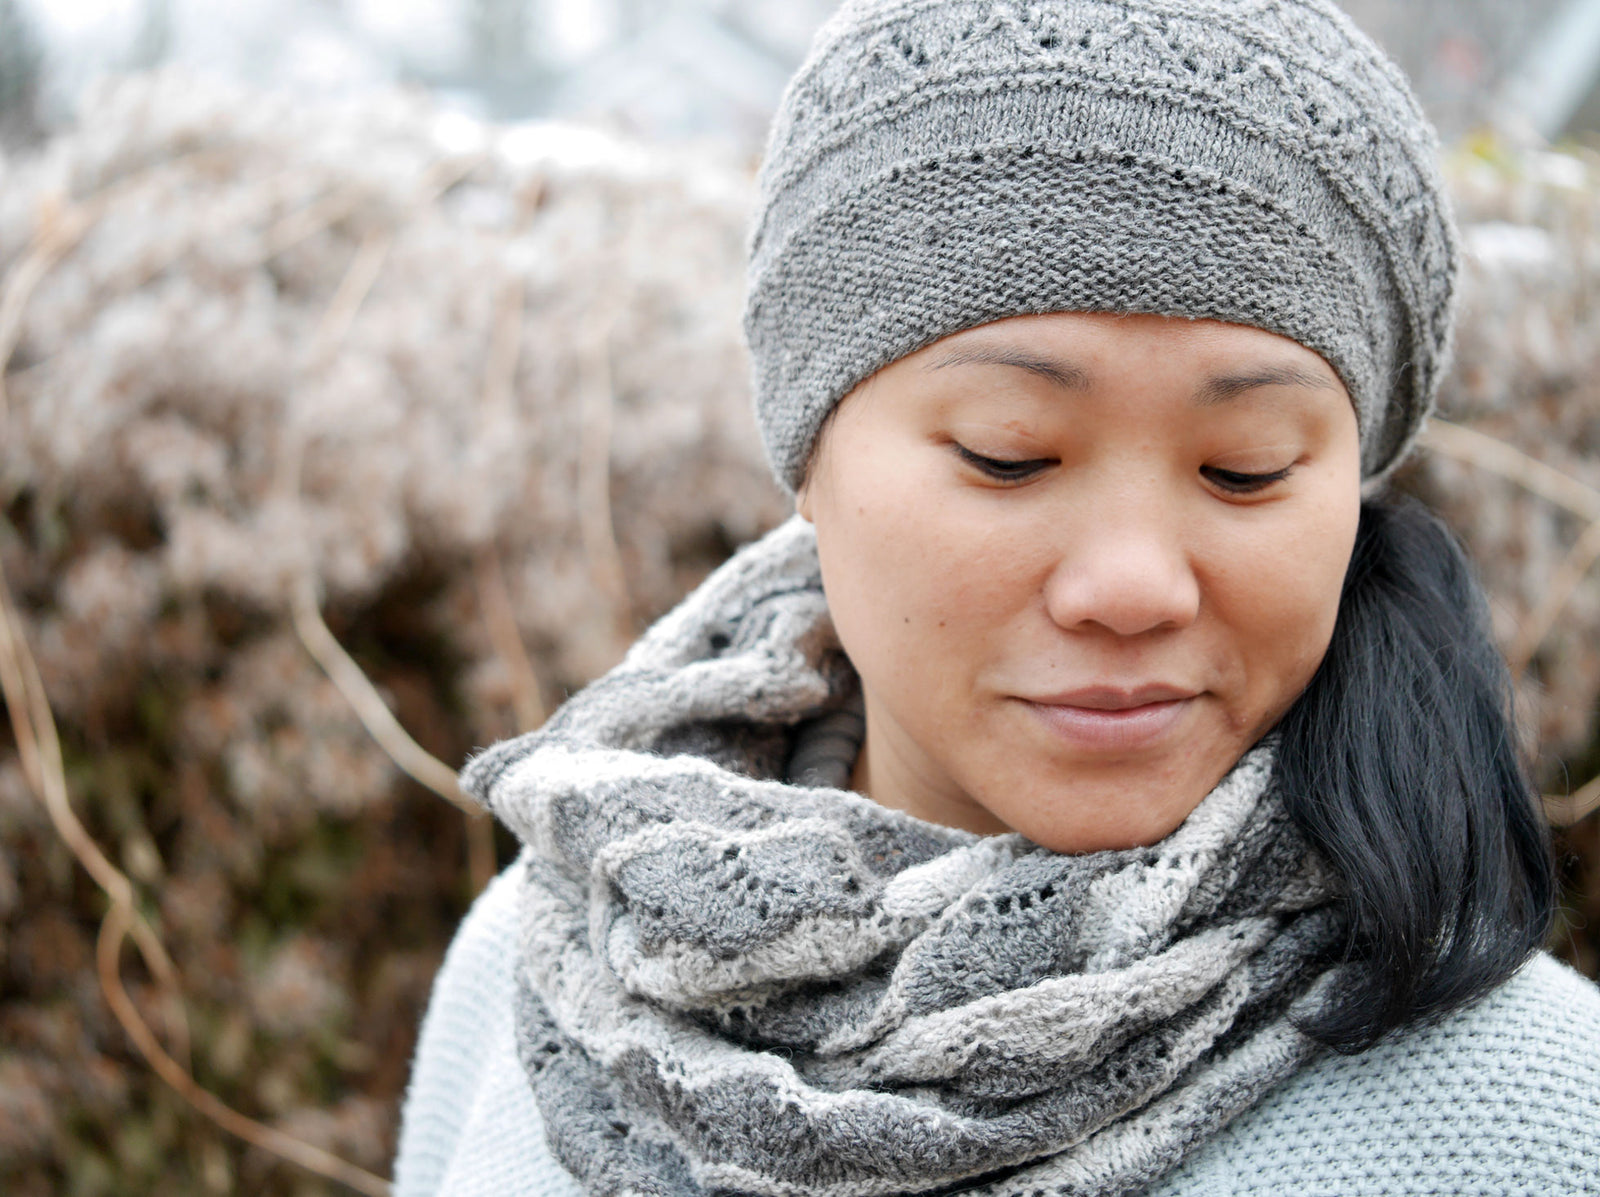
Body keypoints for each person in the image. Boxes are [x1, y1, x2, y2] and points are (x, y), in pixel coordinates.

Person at [393, 1, 1600, 1194]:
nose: (1130, 588)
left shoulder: (1532, 1116)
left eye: (1247, 469)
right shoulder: (544, 967)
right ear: (806, 459)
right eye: (1008, 454)